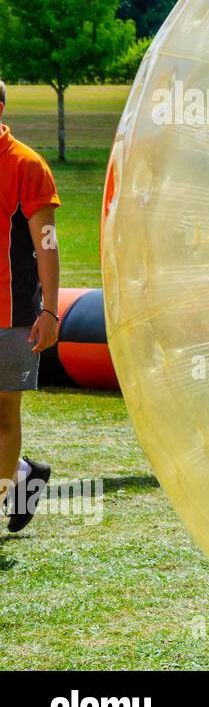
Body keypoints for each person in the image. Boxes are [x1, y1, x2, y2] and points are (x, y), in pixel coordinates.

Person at [0, 79, 61, 533]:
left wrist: (51, 311)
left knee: (4, 414)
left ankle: (10, 486)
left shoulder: (27, 165)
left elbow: (47, 245)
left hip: (13, 314)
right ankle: (24, 475)